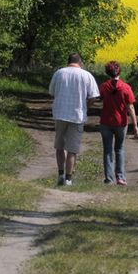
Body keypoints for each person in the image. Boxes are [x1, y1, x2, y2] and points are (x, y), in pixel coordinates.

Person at [48, 52, 100, 186]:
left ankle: (60, 174)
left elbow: (52, 92)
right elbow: (94, 97)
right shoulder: (86, 75)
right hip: (77, 115)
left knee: (59, 146)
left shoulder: (59, 73)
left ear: (68, 61)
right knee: (72, 149)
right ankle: (68, 178)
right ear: (80, 62)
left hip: (60, 113)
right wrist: (86, 106)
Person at [98, 61, 138, 186]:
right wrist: (135, 125)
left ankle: (109, 179)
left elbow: (98, 98)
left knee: (107, 150)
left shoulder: (104, 86)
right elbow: (130, 107)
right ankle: (120, 177)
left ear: (107, 72)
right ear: (119, 71)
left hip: (105, 122)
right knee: (119, 149)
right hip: (121, 122)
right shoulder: (125, 87)